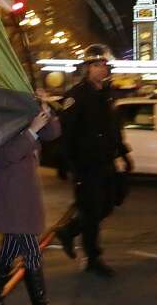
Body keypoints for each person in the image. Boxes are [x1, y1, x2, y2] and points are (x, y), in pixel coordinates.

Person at [0, 98, 65, 305]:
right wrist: (32, 131)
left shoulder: (23, 113)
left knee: (10, 248)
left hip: (24, 194)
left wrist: (47, 112)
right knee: (31, 251)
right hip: (10, 197)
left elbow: (53, 134)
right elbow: (5, 155)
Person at [55, 44, 133, 277]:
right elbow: (66, 132)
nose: (101, 69)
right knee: (91, 211)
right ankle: (93, 258)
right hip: (86, 164)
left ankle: (69, 231)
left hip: (106, 161)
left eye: (104, 65)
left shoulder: (107, 93)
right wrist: (66, 164)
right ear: (87, 68)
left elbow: (113, 128)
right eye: (96, 65)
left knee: (108, 205)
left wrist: (123, 153)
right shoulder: (76, 96)